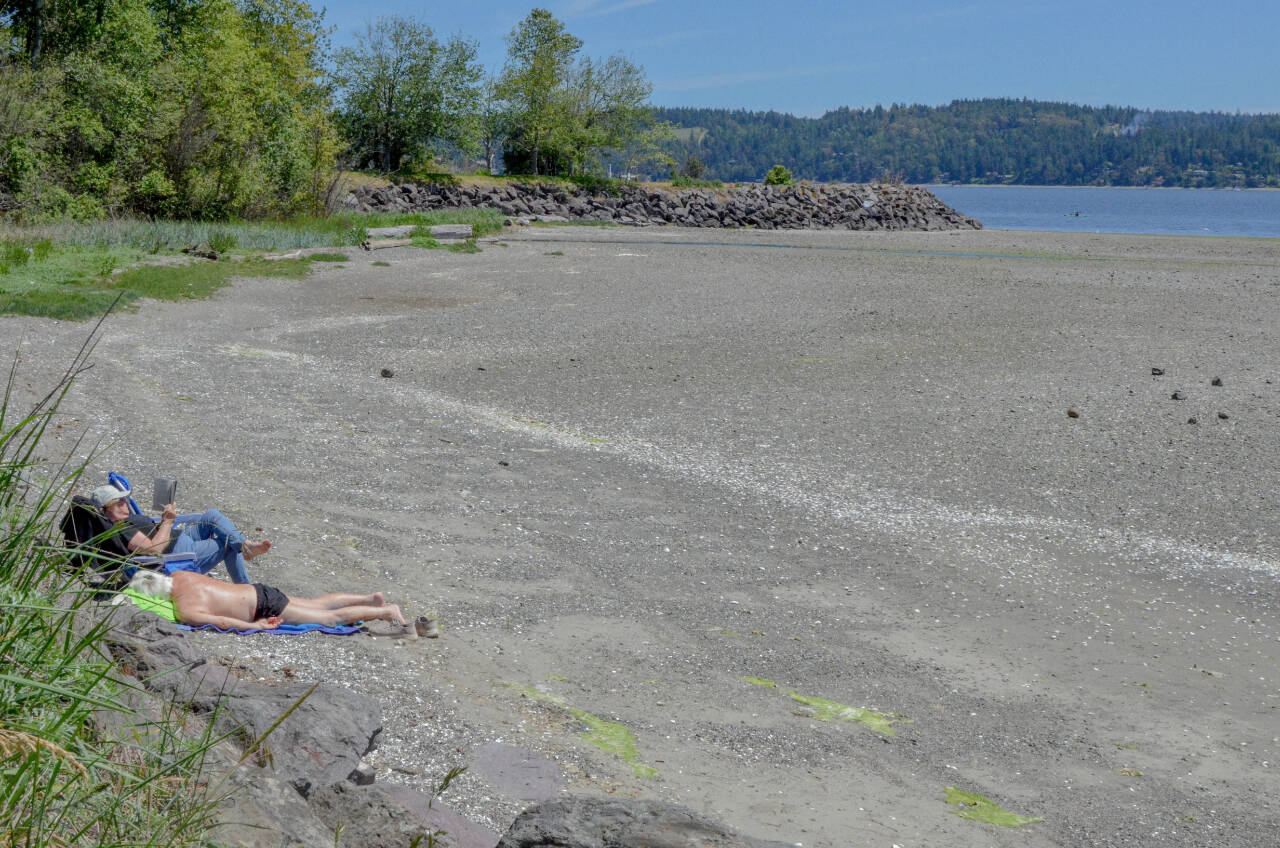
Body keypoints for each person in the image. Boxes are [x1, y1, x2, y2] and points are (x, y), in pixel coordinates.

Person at [92, 484, 270, 584]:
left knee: (211, 515)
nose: (125, 502)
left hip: (179, 537)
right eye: (120, 501)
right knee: (226, 544)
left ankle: (245, 545)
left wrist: (164, 521)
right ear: (108, 508)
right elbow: (154, 550)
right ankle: (246, 589)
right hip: (177, 554)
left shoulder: (124, 520)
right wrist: (168, 521)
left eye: (125, 499)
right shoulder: (121, 529)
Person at [128, 569, 407, 631]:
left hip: (262, 607)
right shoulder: (181, 574)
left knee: (328, 619)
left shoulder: (185, 609)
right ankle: (369, 598)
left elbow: (224, 621)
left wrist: (258, 627)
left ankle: (384, 612)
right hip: (257, 590)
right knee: (317, 603)